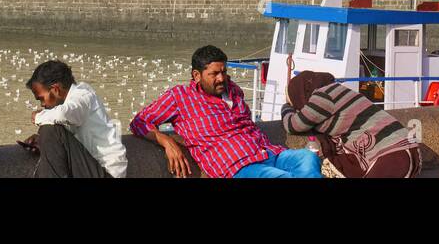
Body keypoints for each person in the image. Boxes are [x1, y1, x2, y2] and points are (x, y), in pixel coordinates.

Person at [131, 44, 321, 179]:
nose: (222, 78)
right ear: (196, 75)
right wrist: (167, 142)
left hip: (269, 153)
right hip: (238, 167)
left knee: (307, 157)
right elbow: (139, 122)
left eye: (223, 71)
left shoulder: (233, 89)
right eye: (214, 74)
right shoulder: (180, 97)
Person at [281, 60, 420, 178]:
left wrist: (287, 108)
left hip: (391, 154)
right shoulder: (337, 90)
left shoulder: (323, 97)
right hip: (403, 151)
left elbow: (293, 125)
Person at [20, 60, 127, 178]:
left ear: (56, 89)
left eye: (41, 98)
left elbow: (62, 114)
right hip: (90, 167)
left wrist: (38, 116)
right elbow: (68, 133)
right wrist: (44, 141)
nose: (42, 105)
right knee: (48, 132)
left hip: (106, 173)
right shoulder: (70, 106)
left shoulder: (83, 96)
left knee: (49, 130)